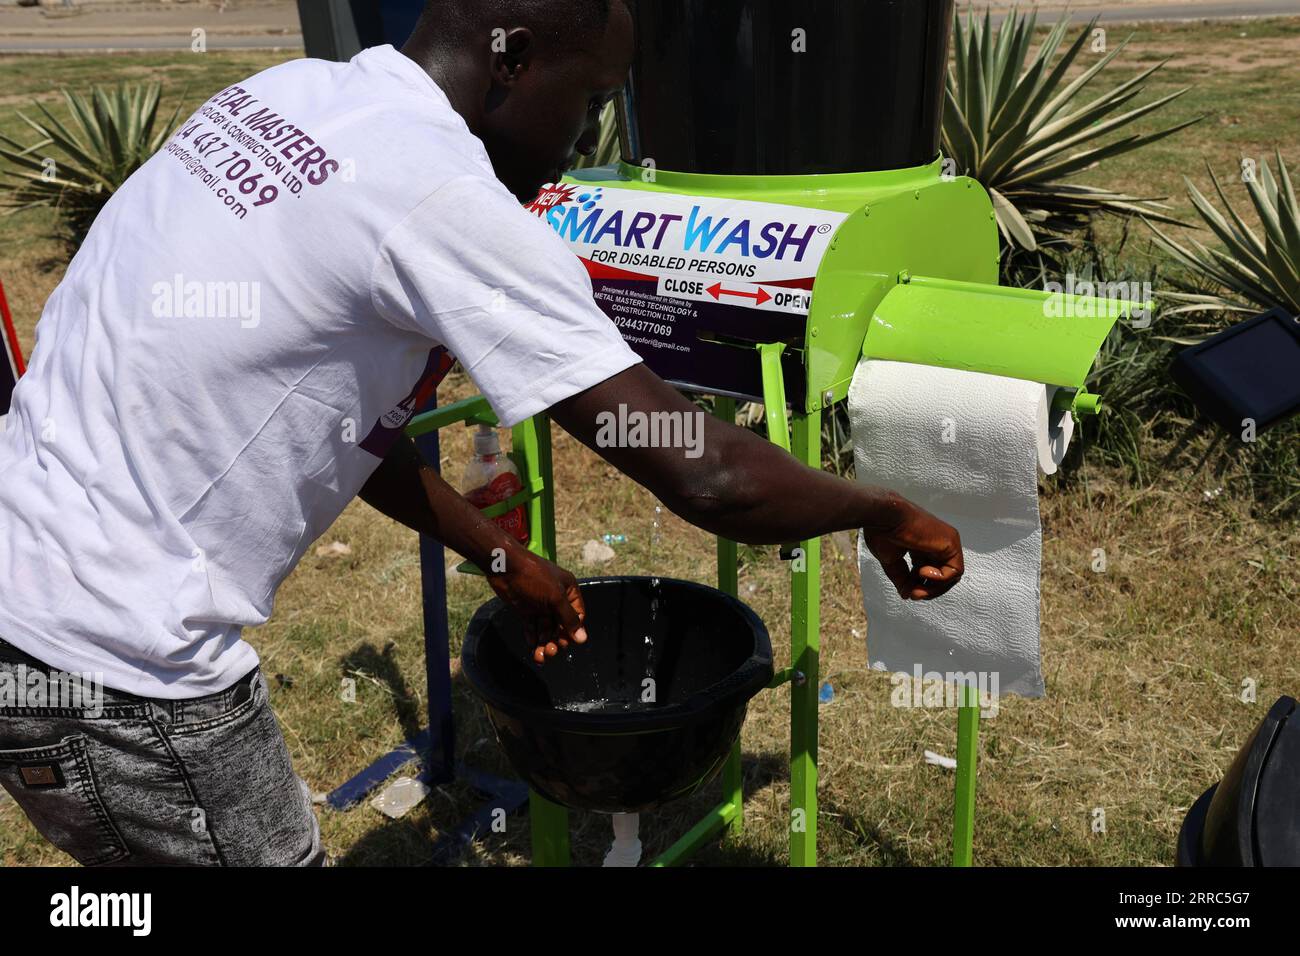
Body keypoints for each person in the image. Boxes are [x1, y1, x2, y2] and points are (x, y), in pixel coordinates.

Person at [0, 0, 962, 866]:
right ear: (513, 59)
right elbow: (710, 477)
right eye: (591, 100)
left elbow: (335, 425)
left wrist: (503, 557)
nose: (584, 142)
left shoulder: (287, 95)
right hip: (116, 661)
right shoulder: (440, 196)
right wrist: (880, 509)